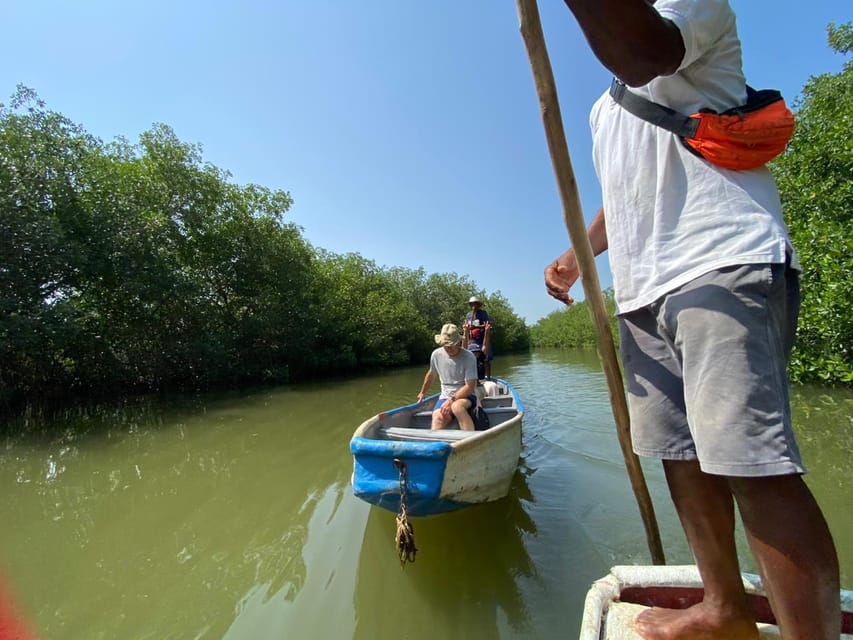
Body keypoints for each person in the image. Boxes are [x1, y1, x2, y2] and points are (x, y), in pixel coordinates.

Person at [546, 2, 840, 639]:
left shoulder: (686, 7)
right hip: (642, 289)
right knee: (679, 455)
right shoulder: (602, 108)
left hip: (719, 258)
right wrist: (577, 254)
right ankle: (724, 607)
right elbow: (624, 194)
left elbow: (645, 51)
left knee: (751, 462)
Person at [416, 324, 479, 431]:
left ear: (459, 342)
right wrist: (423, 392)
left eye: (452, 345)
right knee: (437, 418)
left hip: (467, 395)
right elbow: (431, 374)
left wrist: (451, 400)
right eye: (445, 345)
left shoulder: (469, 357)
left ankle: (470, 440)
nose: (448, 348)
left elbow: (470, 387)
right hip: (445, 396)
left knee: (457, 407)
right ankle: (436, 446)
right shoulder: (436, 355)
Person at [463, 296, 493, 379]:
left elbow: (487, 325)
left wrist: (476, 326)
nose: (474, 305)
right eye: (472, 304)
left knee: (486, 358)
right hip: (473, 340)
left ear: (478, 305)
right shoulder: (468, 315)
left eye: (475, 304)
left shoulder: (483, 313)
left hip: (483, 339)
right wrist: (467, 329)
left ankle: (488, 378)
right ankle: (475, 378)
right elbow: (468, 326)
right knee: (472, 360)